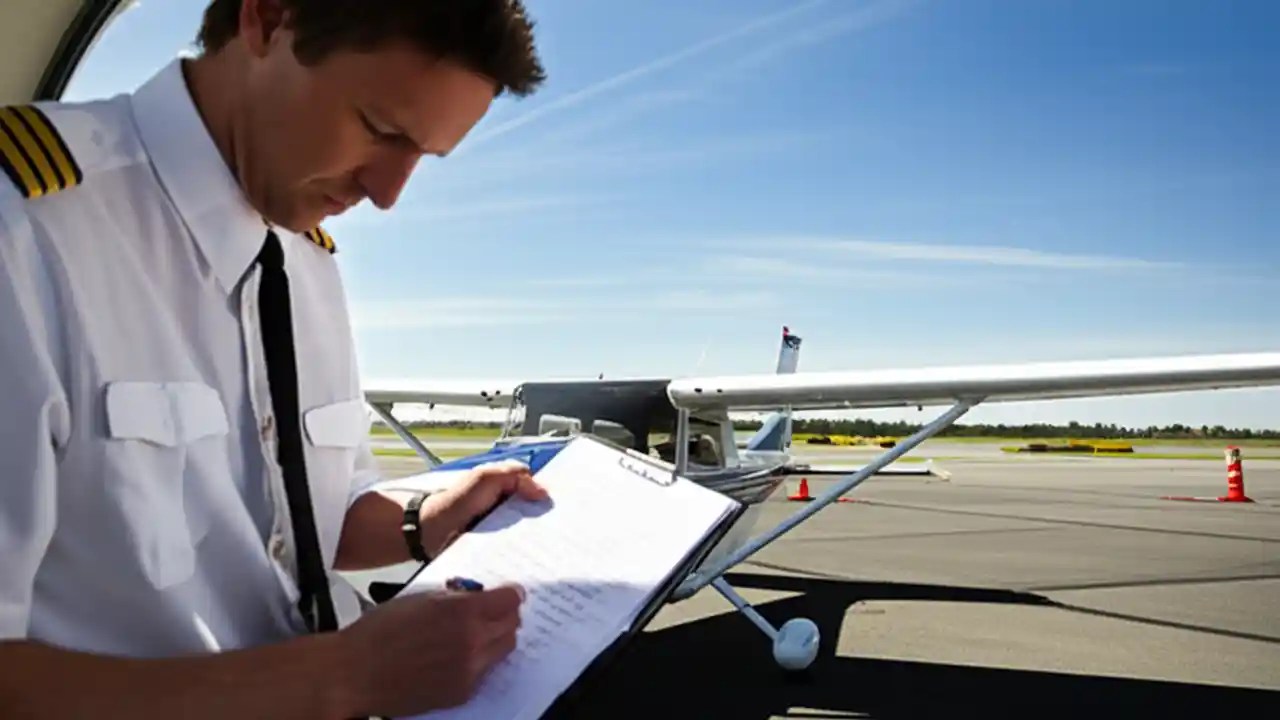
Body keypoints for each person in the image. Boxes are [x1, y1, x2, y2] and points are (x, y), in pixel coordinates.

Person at [0, 0, 548, 717]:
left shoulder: (306, 259)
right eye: (381, 130)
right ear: (266, 20)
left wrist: (426, 519)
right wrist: (342, 677)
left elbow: (307, 517)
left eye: (423, 158)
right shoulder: (26, 225)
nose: (387, 194)